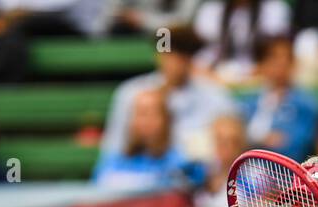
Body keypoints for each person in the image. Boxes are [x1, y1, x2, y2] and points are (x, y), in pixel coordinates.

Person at [101, 24, 238, 165]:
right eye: (167, 53)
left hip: (201, 179)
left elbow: (233, 145)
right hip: (143, 176)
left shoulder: (216, 96)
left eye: (181, 54)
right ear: (158, 55)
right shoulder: (131, 94)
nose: (174, 61)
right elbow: (114, 150)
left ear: (190, 57)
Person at [92, 86, 206, 191]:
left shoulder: (183, 164)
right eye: (141, 114)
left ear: (166, 121)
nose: (146, 122)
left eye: (153, 114)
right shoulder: (113, 162)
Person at [240, 35, 318, 159]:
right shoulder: (247, 102)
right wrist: (264, 139)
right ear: (262, 64)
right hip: (247, 168)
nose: (280, 63)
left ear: (293, 64)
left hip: (287, 172)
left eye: (286, 58)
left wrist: (255, 139)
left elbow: (297, 146)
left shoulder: (307, 104)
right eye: (273, 57)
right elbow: (235, 140)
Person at [194, 0, 292, 84]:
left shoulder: (274, 10)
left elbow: (279, 52)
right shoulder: (211, 10)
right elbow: (203, 55)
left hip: (259, 76)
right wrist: (211, 75)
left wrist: (254, 74)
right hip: (216, 74)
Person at [196, 112, 248, 207]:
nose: (225, 146)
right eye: (219, 140)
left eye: (232, 141)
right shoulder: (199, 172)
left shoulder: (255, 175)